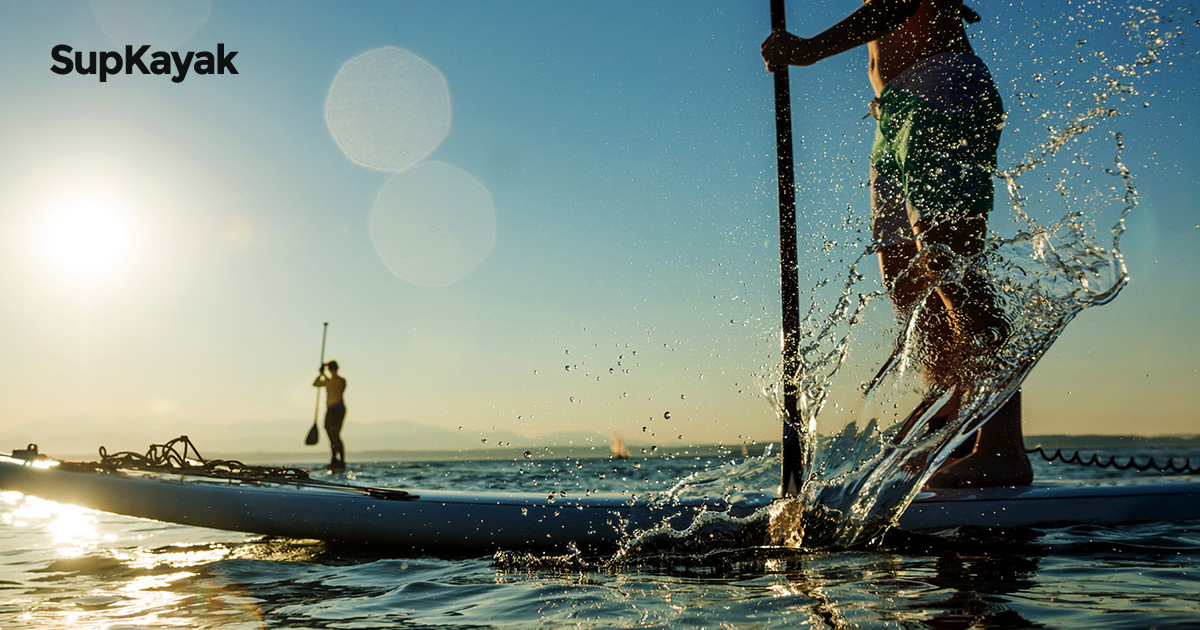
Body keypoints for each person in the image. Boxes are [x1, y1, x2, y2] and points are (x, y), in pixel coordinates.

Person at [761, 0, 1032, 487]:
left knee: (948, 267)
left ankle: (1002, 448)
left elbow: (898, 3)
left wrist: (809, 49)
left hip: (941, 90)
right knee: (905, 277)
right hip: (895, 111)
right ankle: (955, 401)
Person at [313, 360, 348, 470]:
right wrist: (320, 373)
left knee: (335, 434)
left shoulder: (341, 380)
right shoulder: (328, 380)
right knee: (330, 434)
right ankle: (334, 459)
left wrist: (323, 374)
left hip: (338, 409)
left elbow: (333, 385)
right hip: (330, 409)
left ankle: (341, 461)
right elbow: (315, 384)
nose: (332, 371)